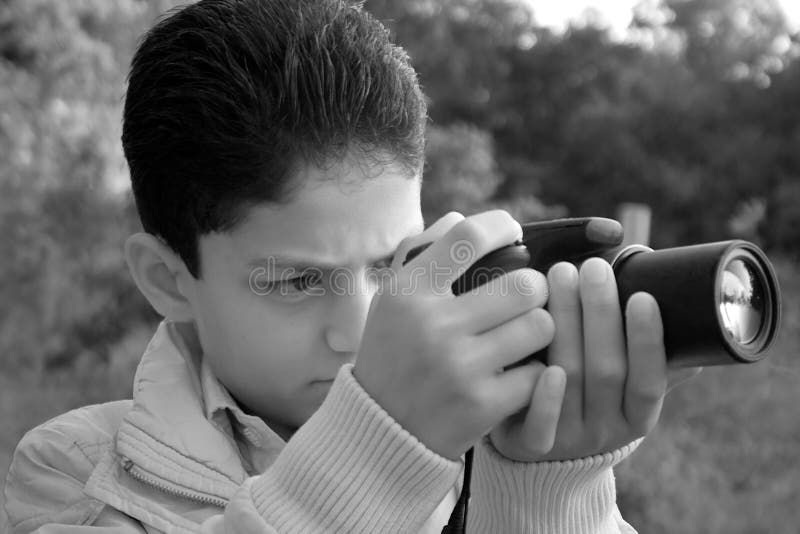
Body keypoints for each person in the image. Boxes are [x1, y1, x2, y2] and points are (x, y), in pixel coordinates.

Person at [3, 1, 676, 532]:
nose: (360, 331)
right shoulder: (74, 470)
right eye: (296, 281)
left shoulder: (490, 438)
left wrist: (547, 492)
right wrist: (382, 447)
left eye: (393, 263)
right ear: (166, 278)